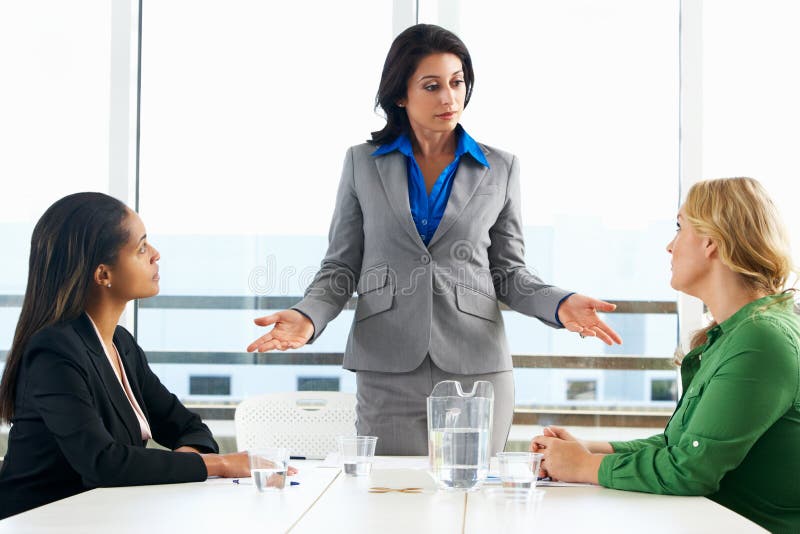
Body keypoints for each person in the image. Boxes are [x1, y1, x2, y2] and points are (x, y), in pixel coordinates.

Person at [247, 24, 621, 456]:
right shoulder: (361, 164)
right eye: (432, 85)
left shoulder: (501, 168)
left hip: (477, 368)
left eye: (457, 82)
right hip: (386, 366)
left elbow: (508, 271)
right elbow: (341, 266)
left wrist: (559, 302)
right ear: (401, 95)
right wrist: (307, 316)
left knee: (473, 504)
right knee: (392, 502)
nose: (449, 97)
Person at [531, 177, 799, 533]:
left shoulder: (759, 339)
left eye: (679, 227)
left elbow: (690, 471)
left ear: (711, 241)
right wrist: (588, 449)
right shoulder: (738, 333)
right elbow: (683, 446)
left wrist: (582, 466)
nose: (669, 246)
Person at [0, 192, 284, 519]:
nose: (156, 255)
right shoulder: (54, 351)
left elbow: (190, 428)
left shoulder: (121, 344)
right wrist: (218, 465)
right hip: (41, 522)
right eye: (142, 248)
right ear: (103, 274)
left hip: (105, 517)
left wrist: (186, 463)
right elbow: (103, 463)